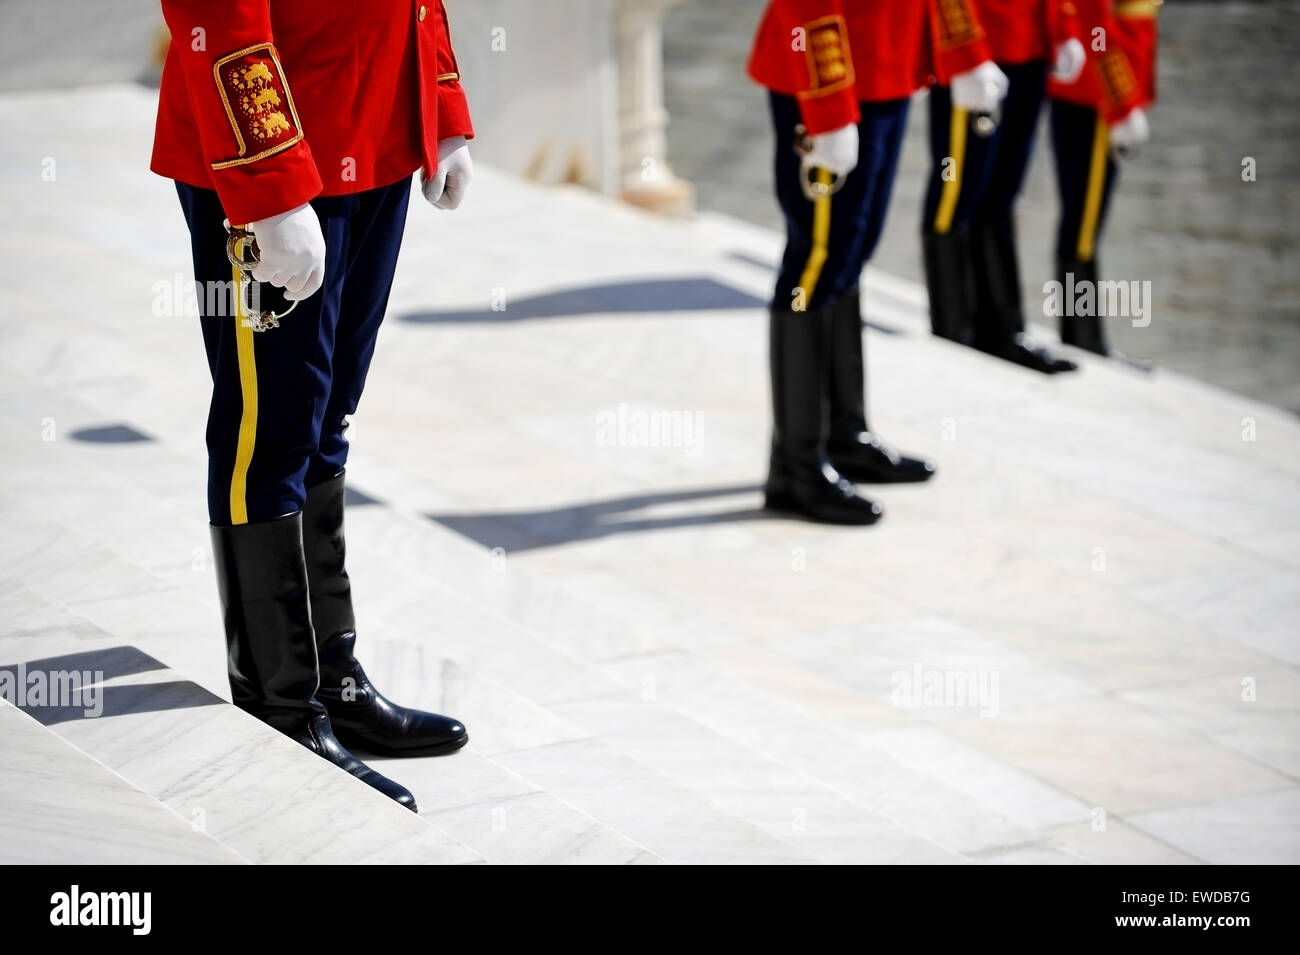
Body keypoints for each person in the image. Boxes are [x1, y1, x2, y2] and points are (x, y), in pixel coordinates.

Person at [151, 0, 475, 811]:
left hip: (378, 131)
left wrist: (440, 102)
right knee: (270, 428)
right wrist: (268, 183)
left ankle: (332, 672)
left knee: (329, 417)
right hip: (272, 154)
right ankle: (280, 702)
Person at [747, 0, 996, 524]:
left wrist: (966, 50)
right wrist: (830, 104)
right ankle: (795, 469)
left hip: (889, 64)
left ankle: (843, 436)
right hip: (831, 73)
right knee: (815, 264)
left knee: (849, 254)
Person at [921, 0, 1086, 374]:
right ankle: (952, 334)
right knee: (955, 196)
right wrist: (965, 52)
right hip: (978, 48)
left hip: (1031, 41)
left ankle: (1001, 331)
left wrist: (1063, 26)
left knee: (1002, 194)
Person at [1049, 0, 1159, 355]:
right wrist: (1122, 105)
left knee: (1082, 226)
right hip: (1097, 101)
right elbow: (1096, 30)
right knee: (1082, 230)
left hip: (1093, 96)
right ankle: (1082, 338)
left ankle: (1084, 335)